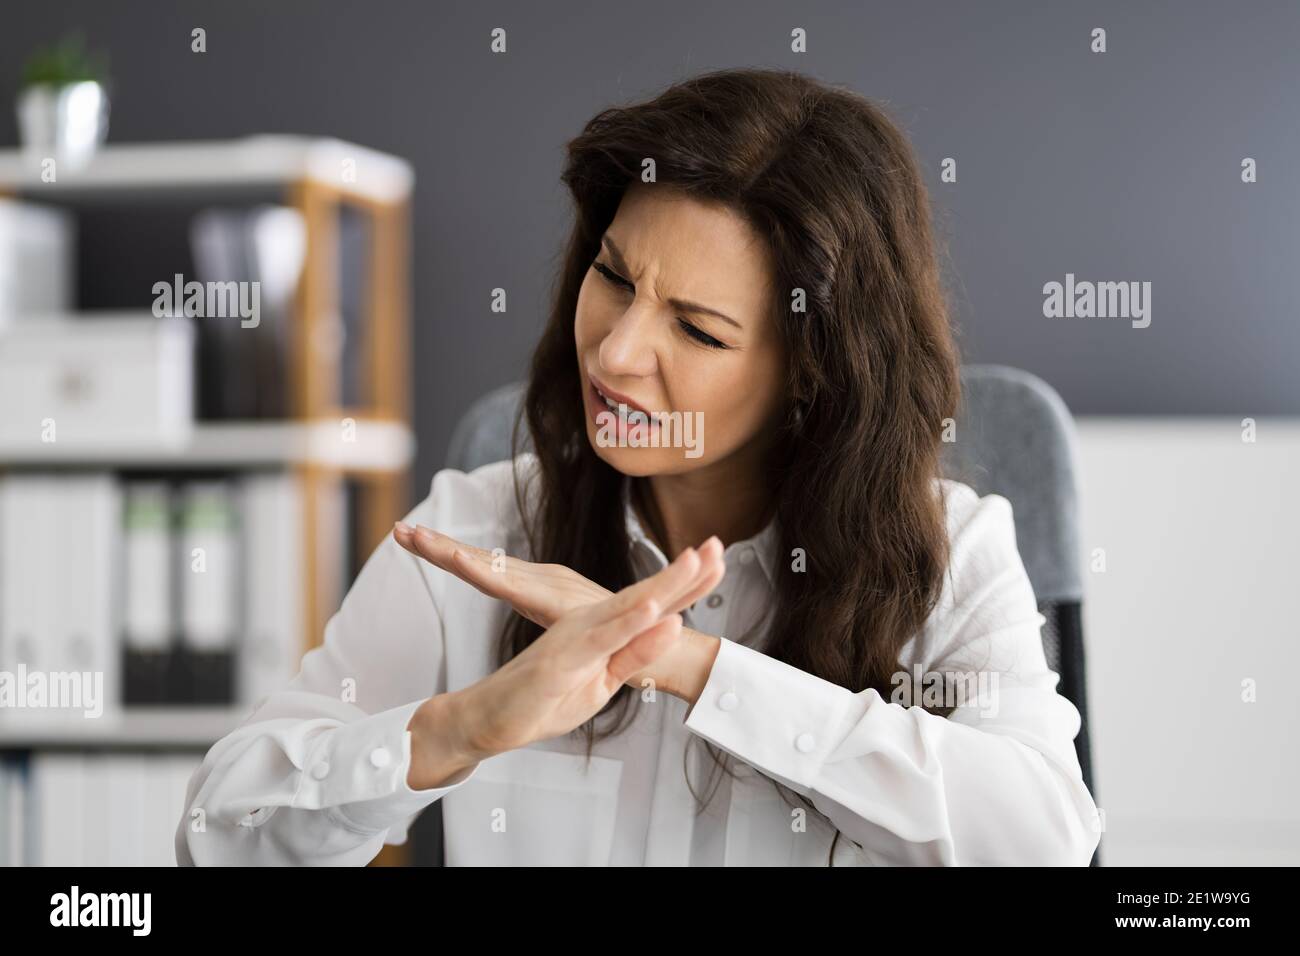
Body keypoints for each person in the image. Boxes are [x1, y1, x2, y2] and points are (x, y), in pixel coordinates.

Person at [177, 67, 1101, 866]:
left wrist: (697, 668)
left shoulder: (949, 551)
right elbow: (221, 832)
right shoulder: (476, 534)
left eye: (697, 329)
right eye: (615, 277)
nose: (615, 354)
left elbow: (1043, 839)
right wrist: (462, 728)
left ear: (815, 375)